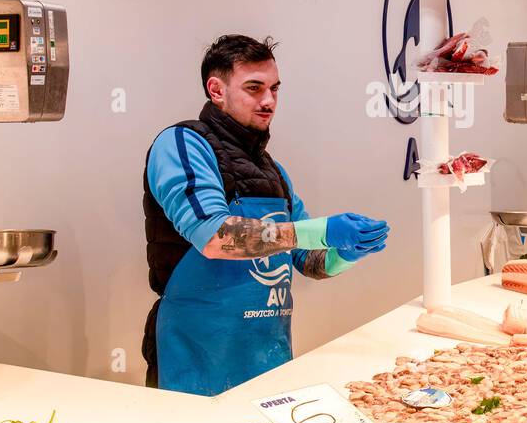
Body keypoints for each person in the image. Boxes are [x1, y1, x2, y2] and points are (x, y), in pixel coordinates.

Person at [142, 33, 388, 395]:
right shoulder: (181, 144)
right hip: (196, 352)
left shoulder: (274, 172)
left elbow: (309, 261)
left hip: (267, 355)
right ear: (216, 89)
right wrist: (320, 229)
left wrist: (347, 253)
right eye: (254, 88)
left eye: (274, 88)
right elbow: (215, 236)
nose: (268, 100)